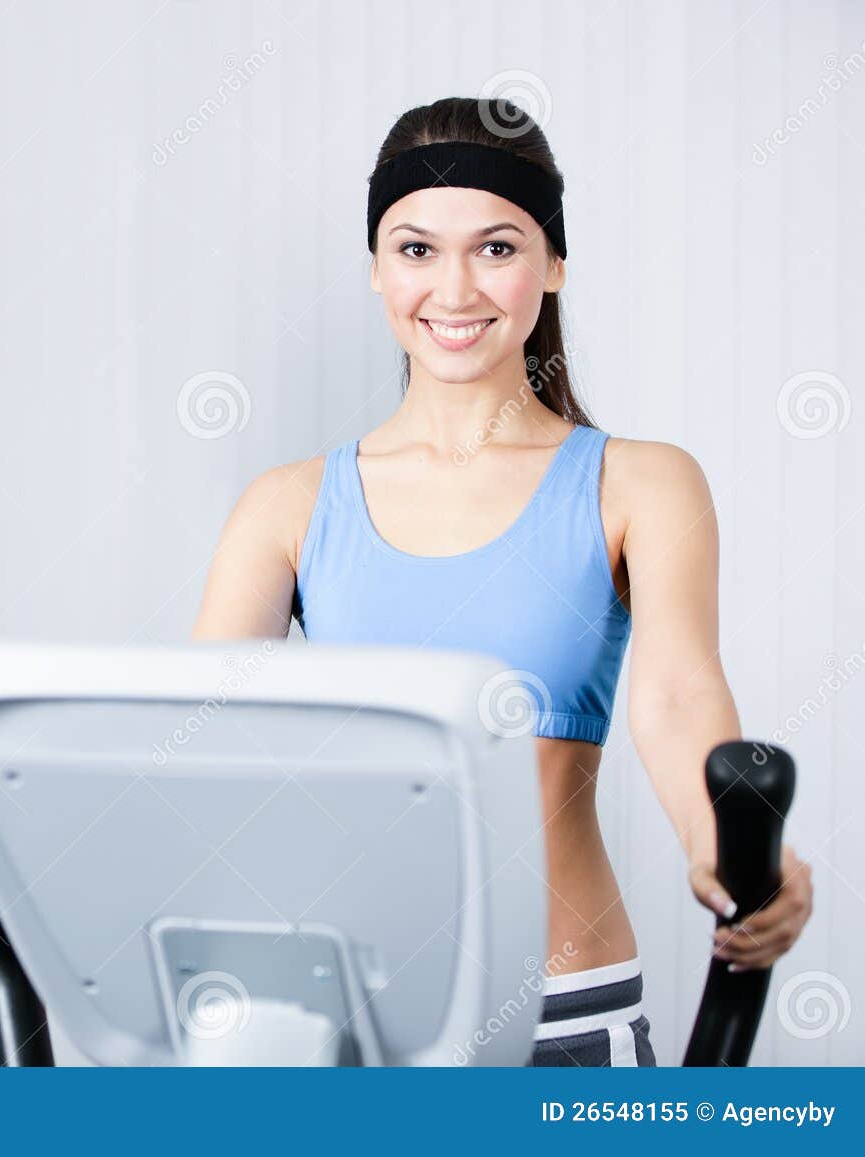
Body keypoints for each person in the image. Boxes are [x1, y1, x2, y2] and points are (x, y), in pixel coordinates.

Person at [189, 97, 813, 1065]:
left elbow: (678, 697)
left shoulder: (639, 483)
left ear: (552, 262)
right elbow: (196, 747)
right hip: (348, 1024)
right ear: (376, 268)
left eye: (495, 247)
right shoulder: (287, 505)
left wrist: (726, 850)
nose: (454, 288)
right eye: (415, 249)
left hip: (565, 1012)